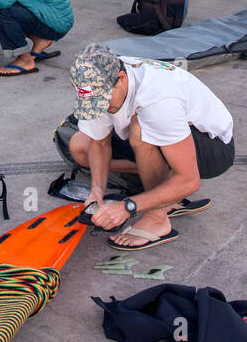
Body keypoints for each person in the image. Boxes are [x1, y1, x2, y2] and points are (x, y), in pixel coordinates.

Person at [66, 42, 235, 249]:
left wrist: (127, 207)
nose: (101, 108)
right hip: (164, 136)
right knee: (80, 147)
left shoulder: (158, 99)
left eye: (103, 101)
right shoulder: (99, 80)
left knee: (141, 129)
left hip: (212, 149)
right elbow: (99, 144)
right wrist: (96, 190)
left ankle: (157, 220)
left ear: (121, 79)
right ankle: (166, 192)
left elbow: (191, 181)